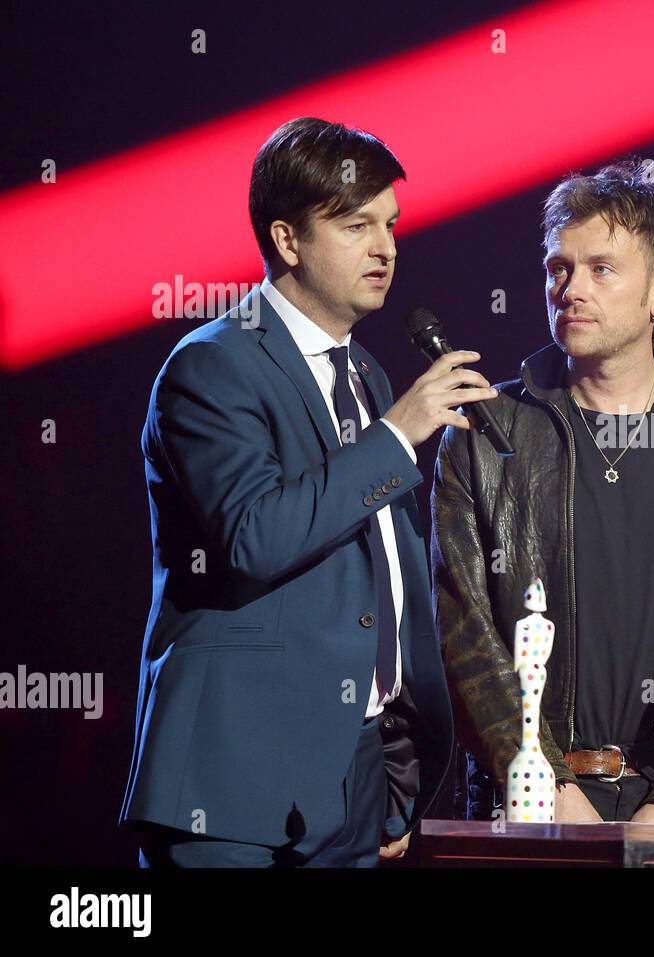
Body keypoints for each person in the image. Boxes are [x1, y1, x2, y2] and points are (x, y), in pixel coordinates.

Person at [118, 117, 498, 866]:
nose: (386, 247)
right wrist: (392, 439)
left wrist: (397, 765)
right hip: (232, 787)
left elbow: (380, 573)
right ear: (288, 241)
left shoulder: (367, 377)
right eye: (357, 225)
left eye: (390, 224)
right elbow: (256, 536)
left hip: (347, 787)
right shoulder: (212, 366)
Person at [433, 156, 654, 825]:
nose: (571, 288)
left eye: (601, 268)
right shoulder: (484, 433)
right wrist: (541, 781)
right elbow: (466, 639)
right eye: (558, 268)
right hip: (529, 810)